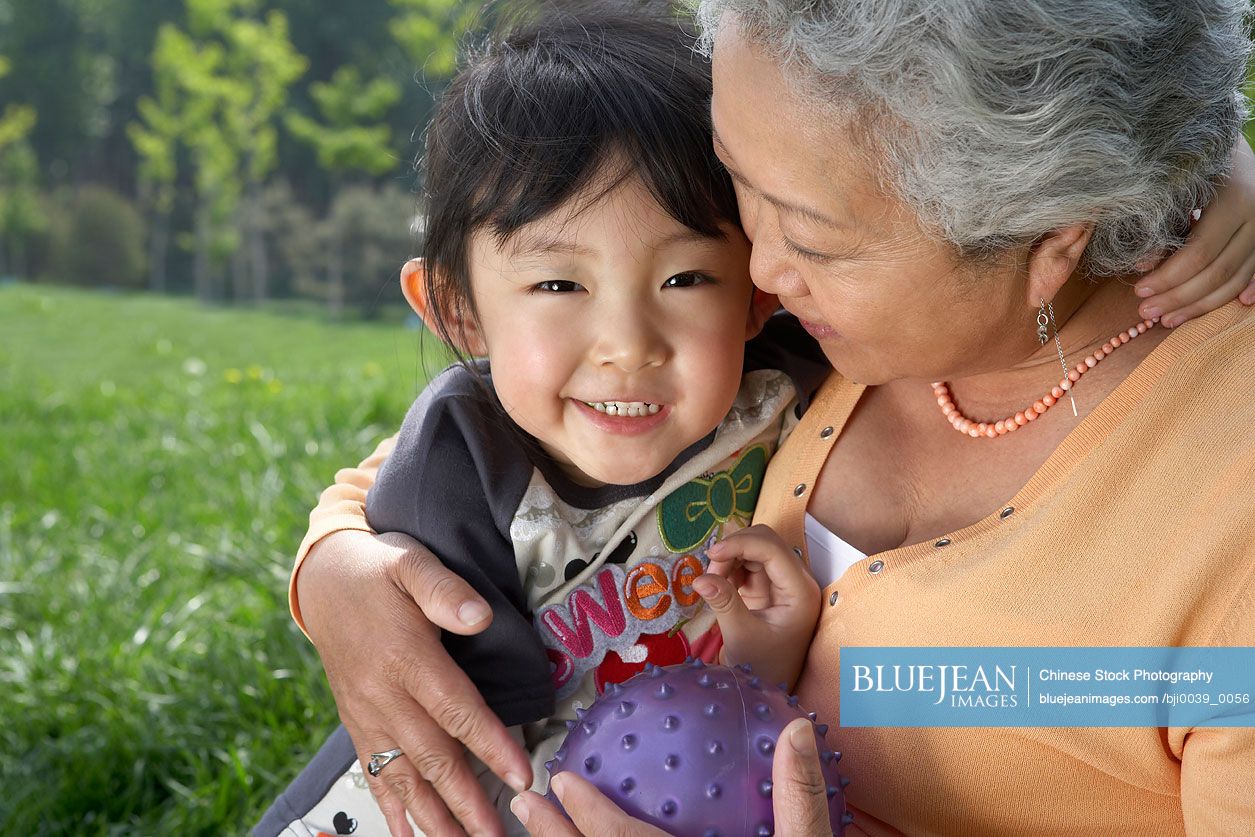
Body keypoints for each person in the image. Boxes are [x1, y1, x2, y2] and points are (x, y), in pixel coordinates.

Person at [286, 0, 1255, 834]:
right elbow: (518, 441)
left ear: (1051, 241)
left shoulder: (1221, 564)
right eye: (738, 184)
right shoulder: (824, 323)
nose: (752, 276)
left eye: (813, 238)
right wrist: (338, 564)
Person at [257, 7, 833, 836]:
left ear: (759, 288)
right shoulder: (462, 457)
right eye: (560, 286)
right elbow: (479, 740)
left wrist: (762, 662)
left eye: (686, 279)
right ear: (456, 310)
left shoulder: (785, 392)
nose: (629, 347)